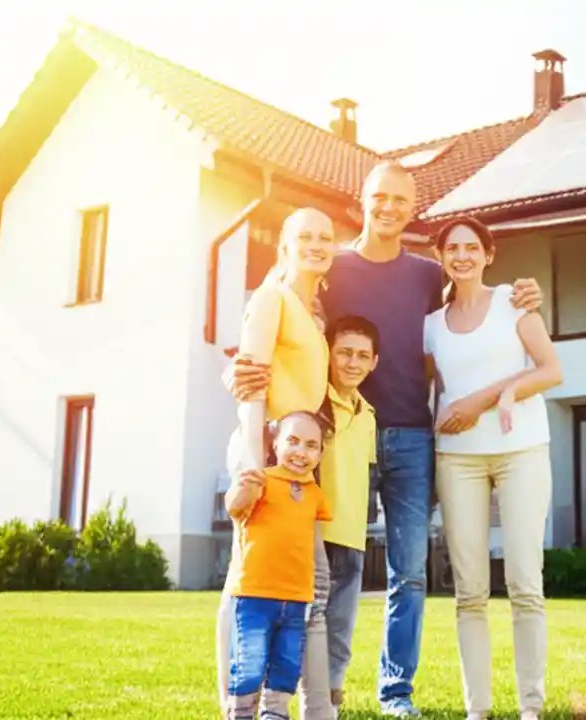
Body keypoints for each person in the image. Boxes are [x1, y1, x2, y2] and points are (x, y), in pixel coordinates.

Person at [226, 161, 543, 717]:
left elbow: (471, 304)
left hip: (413, 436)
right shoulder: (332, 265)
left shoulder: (427, 275)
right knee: (339, 567)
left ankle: (396, 692)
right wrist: (235, 369)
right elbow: (279, 311)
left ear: (412, 207)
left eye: (401, 199)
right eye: (381, 197)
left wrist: (526, 290)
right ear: (363, 202)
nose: (390, 207)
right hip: (344, 434)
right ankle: (328, 688)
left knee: (410, 573)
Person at [424, 217, 561, 720]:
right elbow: (429, 390)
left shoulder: (513, 301)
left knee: (525, 584)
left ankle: (530, 709)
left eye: (471, 247)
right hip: (457, 458)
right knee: (470, 592)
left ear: (488, 254)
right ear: (441, 257)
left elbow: (551, 370)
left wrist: (486, 399)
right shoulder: (431, 326)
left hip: (521, 450)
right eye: (452, 248)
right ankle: (476, 711)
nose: (461, 256)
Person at [217, 207, 338, 720]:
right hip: (264, 457)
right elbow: (251, 382)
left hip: (294, 464)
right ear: (285, 245)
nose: (317, 244)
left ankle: (299, 707)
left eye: (325, 237)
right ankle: (233, 706)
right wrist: (254, 465)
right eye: (305, 236)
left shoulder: (313, 313)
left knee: (304, 584)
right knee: (244, 586)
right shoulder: (271, 298)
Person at [222, 410, 334, 720]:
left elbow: (310, 543)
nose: (301, 452)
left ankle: (275, 713)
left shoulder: (315, 495)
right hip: (254, 596)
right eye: (293, 441)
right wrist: (242, 489)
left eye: (311, 445)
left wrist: (316, 591)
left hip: (296, 599)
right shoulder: (262, 480)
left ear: (321, 453)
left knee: (286, 665)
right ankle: (241, 712)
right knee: (250, 661)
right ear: (275, 443)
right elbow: (234, 508)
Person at [317, 315, 381, 716]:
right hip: (315, 533)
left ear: (374, 362)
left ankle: (330, 701)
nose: (352, 362)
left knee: (340, 629)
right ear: (328, 354)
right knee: (306, 624)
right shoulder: (315, 401)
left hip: (353, 537)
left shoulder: (368, 413)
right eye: (344, 353)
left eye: (361, 355)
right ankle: (291, 700)